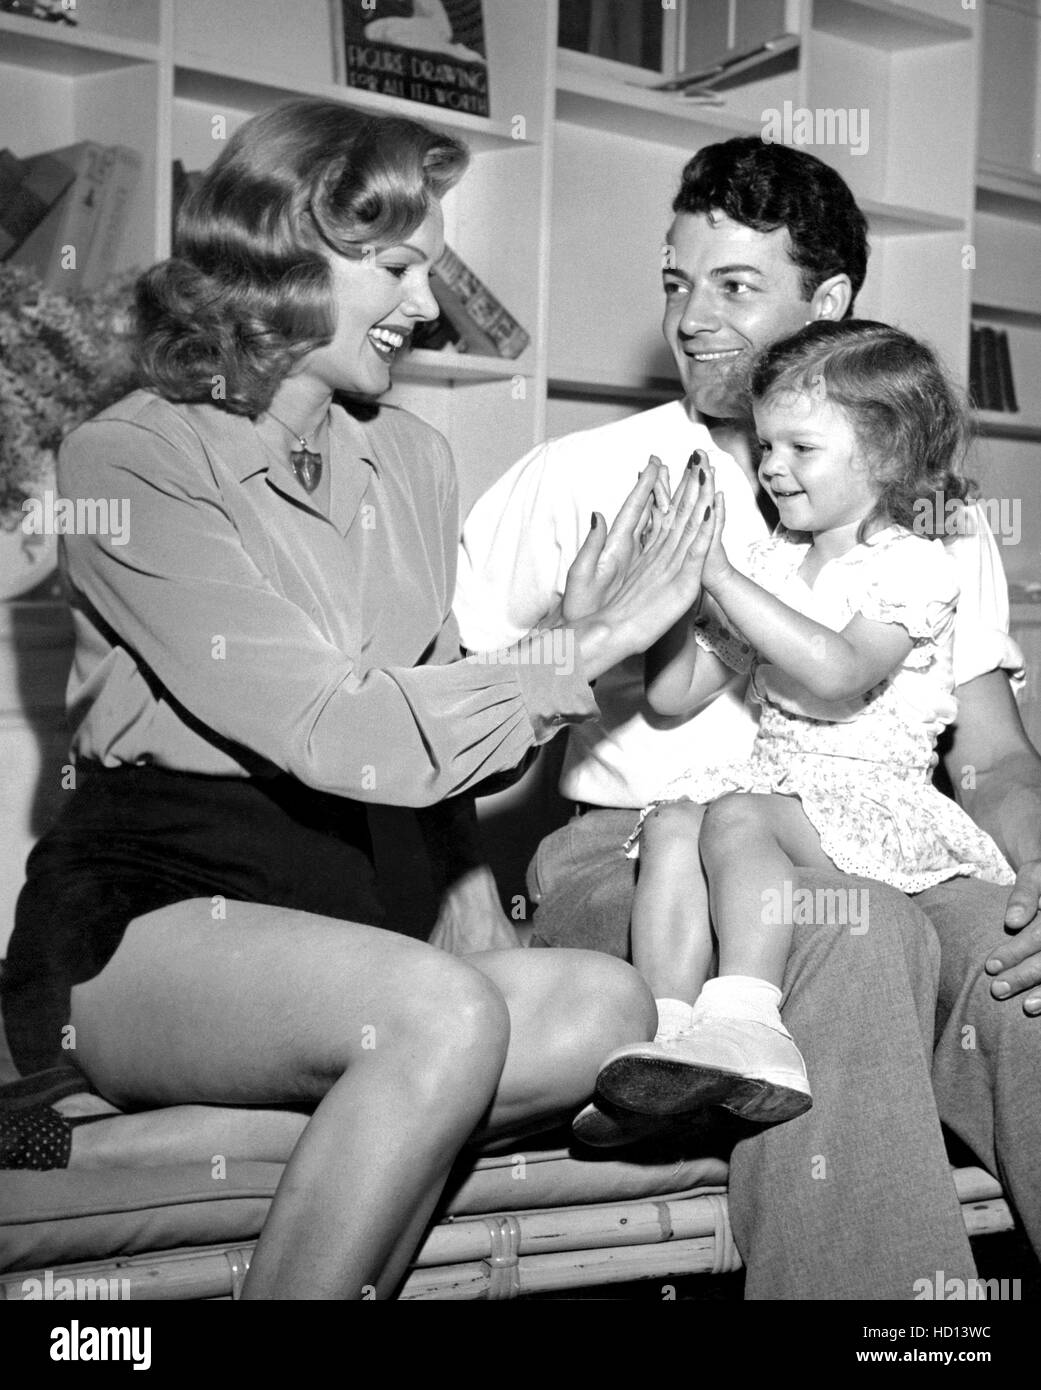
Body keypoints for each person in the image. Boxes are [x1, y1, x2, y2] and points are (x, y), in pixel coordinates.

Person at [0, 99, 725, 1300]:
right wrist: (587, 645)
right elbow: (340, 729)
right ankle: (72, 1106)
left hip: (358, 937)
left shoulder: (415, 459)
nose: (427, 306)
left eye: (428, 269)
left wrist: (556, 645)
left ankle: (128, 1138)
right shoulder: (126, 460)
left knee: (606, 1004)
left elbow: (455, 764)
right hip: (151, 919)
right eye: (394, 267)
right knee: (436, 1020)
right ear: (280, 258)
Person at [456, 137, 1041, 1299]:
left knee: (1022, 972)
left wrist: (1040, 867)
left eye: (735, 285)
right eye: (676, 283)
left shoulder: (930, 519)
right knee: (851, 931)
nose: (690, 319)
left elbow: (994, 758)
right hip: (639, 849)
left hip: (880, 830)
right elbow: (452, 739)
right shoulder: (580, 479)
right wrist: (590, 631)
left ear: (830, 304)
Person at [593, 320, 1014, 1130]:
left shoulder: (915, 565)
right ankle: (666, 1037)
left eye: (800, 447)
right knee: (675, 819)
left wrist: (719, 574)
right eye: (763, 446)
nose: (772, 467)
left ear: (887, 455)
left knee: (736, 815)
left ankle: (749, 1020)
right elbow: (673, 694)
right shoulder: (773, 563)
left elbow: (836, 669)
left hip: (876, 802)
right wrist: (675, 588)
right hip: (782, 787)